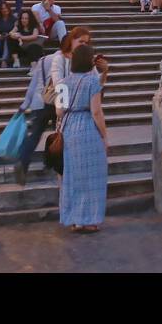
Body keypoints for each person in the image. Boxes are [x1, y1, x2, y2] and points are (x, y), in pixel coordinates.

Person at [60, 43, 109, 232]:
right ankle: (89, 220)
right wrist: (105, 136)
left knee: (72, 177)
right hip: (87, 128)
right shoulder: (92, 82)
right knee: (91, 177)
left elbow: (59, 111)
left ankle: (74, 219)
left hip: (68, 128)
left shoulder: (63, 82)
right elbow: (96, 111)